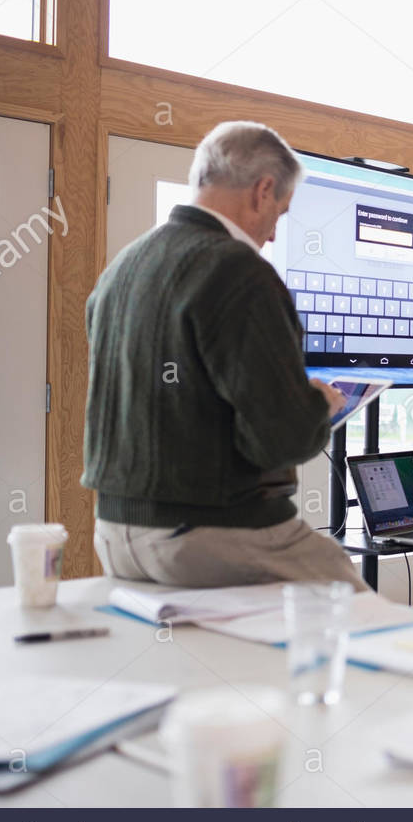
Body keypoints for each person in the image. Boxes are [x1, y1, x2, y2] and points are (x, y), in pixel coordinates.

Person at [83, 121, 362, 589]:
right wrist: (319, 404)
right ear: (263, 190)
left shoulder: (122, 268)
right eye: (281, 213)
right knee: (358, 617)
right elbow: (282, 440)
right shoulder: (239, 271)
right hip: (209, 530)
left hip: (114, 534)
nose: (273, 234)